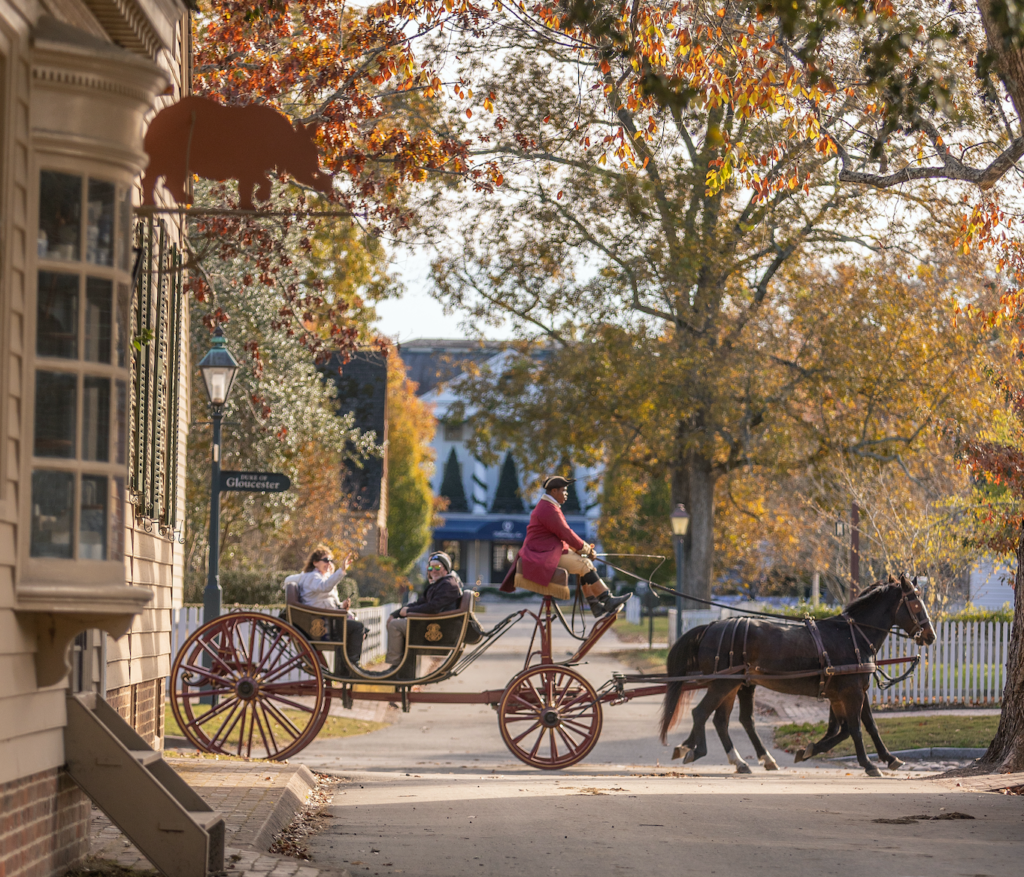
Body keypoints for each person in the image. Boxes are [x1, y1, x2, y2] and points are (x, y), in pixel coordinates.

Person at [501, 475, 629, 618]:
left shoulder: (549, 507)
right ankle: (607, 600)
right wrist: (587, 550)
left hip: (547, 551)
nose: (566, 494)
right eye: (564, 490)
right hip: (541, 555)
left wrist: (581, 551)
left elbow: (561, 536)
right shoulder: (548, 509)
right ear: (554, 491)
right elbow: (566, 533)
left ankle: (595, 605)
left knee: (586, 564)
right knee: (584, 565)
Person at [284, 546, 365, 664]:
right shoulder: (312, 577)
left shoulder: (321, 577)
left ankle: (345, 667)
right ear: (315, 562)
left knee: (361, 630)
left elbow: (328, 600)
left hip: (327, 618)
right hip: (321, 621)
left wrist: (341, 606)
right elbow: (324, 587)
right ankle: (352, 665)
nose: (329, 563)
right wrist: (341, 570)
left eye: (331, 560)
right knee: (357, 627)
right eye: (326, 560)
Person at [385, 551, 463, 665]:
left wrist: (408, 611)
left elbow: (433, 608)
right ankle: (404, 666)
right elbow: (420, 603)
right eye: (430, 567)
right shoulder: (439, 584)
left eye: (437, 567)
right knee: (396, 621)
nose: (433, 570)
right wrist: (395, 614)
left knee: (395, 625)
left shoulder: (447, 585)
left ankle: (395, 664)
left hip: (437, 628)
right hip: (431, 624)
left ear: (446, 569)